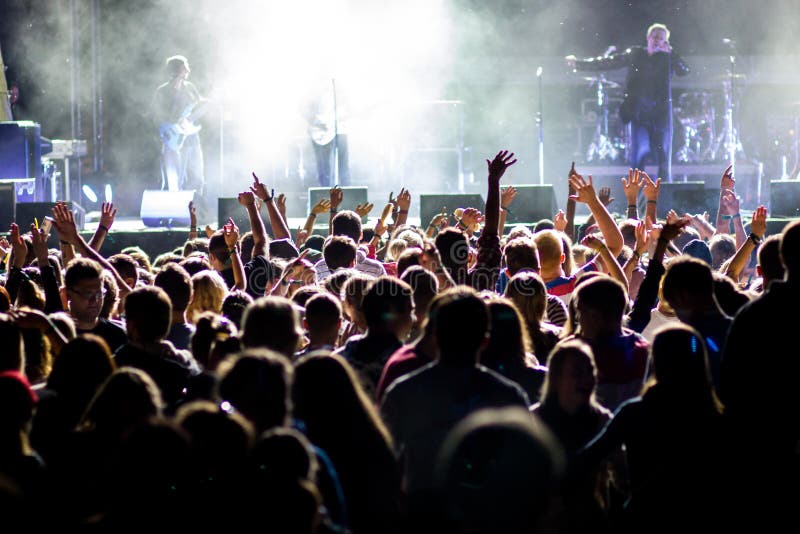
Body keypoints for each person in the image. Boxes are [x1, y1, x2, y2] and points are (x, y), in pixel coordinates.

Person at [566, 23, 690, 182]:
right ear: (648, 38)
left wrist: (672, 54)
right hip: (638, 113)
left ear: (666, 41)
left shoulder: (668, 59)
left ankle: (663, 202)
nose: (657, 40)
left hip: (661, 116)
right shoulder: (636, 54)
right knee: (637, 160)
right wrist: (579, 64)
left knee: (664, 161)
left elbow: (684, 71)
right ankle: (634, 202)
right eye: (655, 36)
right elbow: (609, 62)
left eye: (661, 38)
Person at [153, 55, 206, 194]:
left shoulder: (190, 87)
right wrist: (174, 123)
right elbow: (156, 114)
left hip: (192, 136)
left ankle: (197, 209)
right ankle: (178, 210)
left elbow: (197, 107)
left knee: (198, 176)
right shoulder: (163, 91)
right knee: (177, 178)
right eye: (184, 66)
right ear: (177, 69)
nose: (187, 69)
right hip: (174, 138)